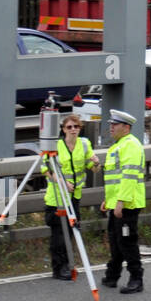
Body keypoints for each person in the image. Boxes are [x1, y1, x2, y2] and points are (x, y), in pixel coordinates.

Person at [43, 115, 99, 280]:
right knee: (59, 234)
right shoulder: (56, 146)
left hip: (74, 197)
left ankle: (68, 264)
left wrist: (96, 163)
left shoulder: (84, 144)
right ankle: (59, 268)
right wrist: (62, 182)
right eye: (69, 127)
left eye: (76, 126)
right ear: (63, 129)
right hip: (57, 198)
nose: (73, 129)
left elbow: (92, 168)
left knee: (72, 231)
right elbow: (44, 168)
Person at [100, 109, 146, 294]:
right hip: (117, 203)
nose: (111, 127)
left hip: (128, 205)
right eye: (111, 124)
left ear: (126, 127)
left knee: (127, 242)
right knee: (115, 240)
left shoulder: (131, 145)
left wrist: (120, 202)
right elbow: (115, 179)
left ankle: (136, 278)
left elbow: (128, 176)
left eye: (115, 125)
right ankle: (112, 276)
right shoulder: (119, 145)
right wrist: (109, 200)